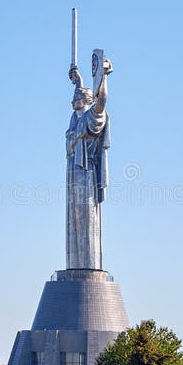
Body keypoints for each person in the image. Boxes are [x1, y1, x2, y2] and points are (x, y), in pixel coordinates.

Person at [65, 56, 112, 269]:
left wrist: (103, 77)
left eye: (78, 94)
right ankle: (74, 267)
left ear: (86, 100)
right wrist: (79, 80)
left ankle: (89, 267)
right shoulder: (76, 121)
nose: (74, 95)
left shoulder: (92, 117)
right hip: (74, 175)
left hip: (87, 176)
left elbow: (101, 101)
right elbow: (79, 111)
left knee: (86, 221)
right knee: (73, 224)